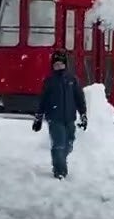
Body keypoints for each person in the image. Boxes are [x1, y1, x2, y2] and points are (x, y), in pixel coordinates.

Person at [32, 49, 88, 179]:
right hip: (55, 118)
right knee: (59, 144)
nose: (58, 66)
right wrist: (38, 117)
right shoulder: (50, 81)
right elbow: (43, 100)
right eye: (56, 64)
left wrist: (83, 114)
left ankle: (61, 159)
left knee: (69, 143)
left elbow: (79, 98)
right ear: (52, 65)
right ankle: (60, 171)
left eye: (61, 64)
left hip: (69, 118)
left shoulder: (72, 80)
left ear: (65, 65)